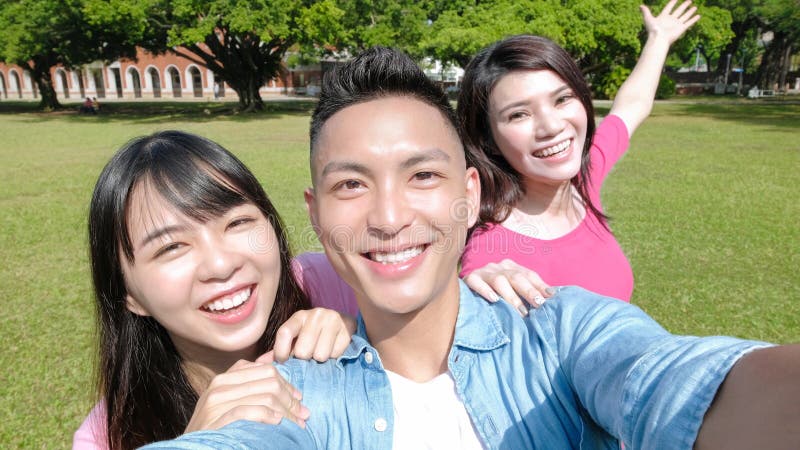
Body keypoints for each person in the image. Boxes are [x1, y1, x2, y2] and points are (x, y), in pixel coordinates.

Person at [142, 47, 800, 450]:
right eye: (351, 185)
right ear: (314, 214)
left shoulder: (563, 332)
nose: (391, 216)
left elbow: (668, 379)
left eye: (421, 175)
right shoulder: (291, 393)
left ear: (469, 193)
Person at [73, 131, 357, 449]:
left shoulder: (331, 283)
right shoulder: (107, 436)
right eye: (171, 247)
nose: (221, 265)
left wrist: (361, 333)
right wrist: (192, 443)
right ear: (129, 294)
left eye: (236, 223)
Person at [459, 0, 700, 310]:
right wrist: (473, 285)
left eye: (562, 99)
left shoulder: (582, 180)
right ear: (488, 140)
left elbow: (631, 106)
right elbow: (476, 295)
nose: (552, 126)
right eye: (519, 114)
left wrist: (659, 39)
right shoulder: (493, 254)